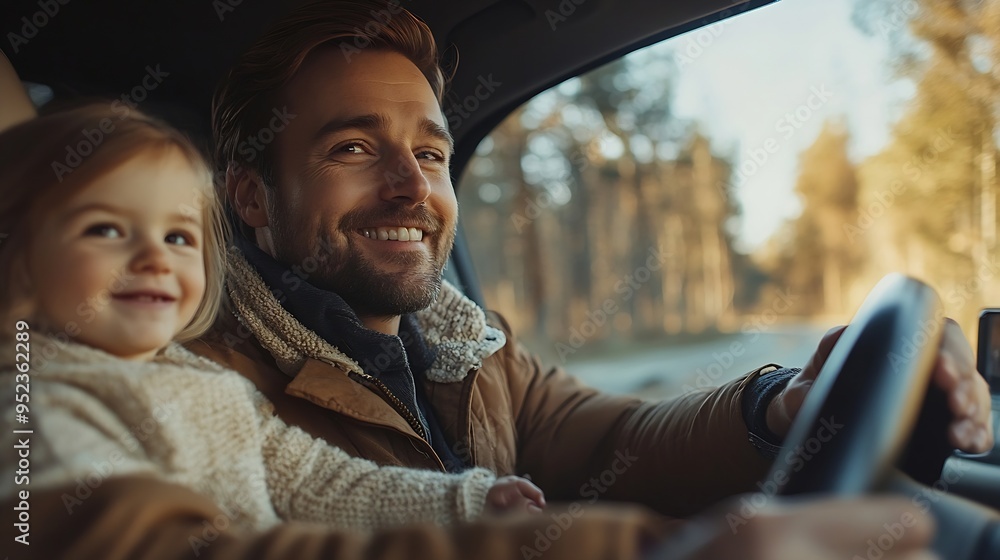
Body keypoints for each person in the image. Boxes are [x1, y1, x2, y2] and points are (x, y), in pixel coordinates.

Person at [2, 1, 993, 559]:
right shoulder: (168, 365)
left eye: (431, 153)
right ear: (252, 197)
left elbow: (604, 438)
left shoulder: (458, 335)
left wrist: (782, 406)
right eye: (355, 147)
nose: (410, 186)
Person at [0, 104, 548, 549]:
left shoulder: (196, 379)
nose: (155, 258)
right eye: (106, 229)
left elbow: (315, 481)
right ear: (17, 263)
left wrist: (464, 505)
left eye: (178, 237)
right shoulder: (33, 402)